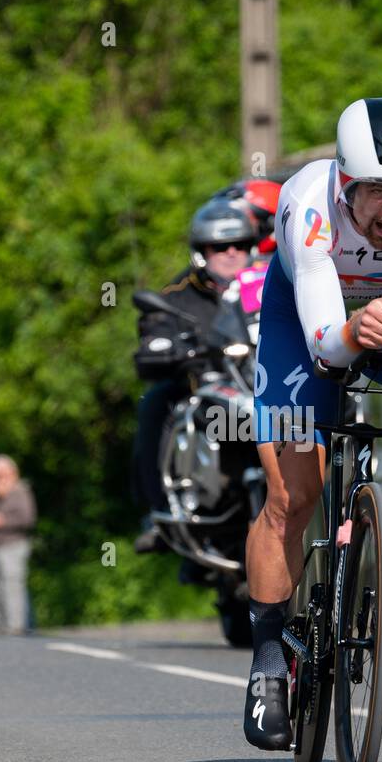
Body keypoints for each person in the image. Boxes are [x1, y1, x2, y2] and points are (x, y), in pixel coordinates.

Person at [243, 97, 382, 750]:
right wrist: (353, 330)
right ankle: (265, 665)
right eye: (375, 189)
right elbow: (323, 347)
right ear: (343, 182)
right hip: (309, 313)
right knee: (291, 496)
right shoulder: (306, 208)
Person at [132, 199, 259, 552]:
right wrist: (163, 345)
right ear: (202, 251)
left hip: (264, 391)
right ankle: (159, 511)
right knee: (154, 403)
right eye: (220, 246)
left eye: (242, 245)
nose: (232, 253)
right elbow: (154, 330)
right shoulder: (177, 296)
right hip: (203, 393)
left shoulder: (270, 285)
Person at [0, 454, 37, 634]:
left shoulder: (20, 491)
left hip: (13, 544)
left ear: (12, 472)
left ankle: (15, 625)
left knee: (12, 584)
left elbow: (28, 519)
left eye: (2, 473)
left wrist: (2, 521)